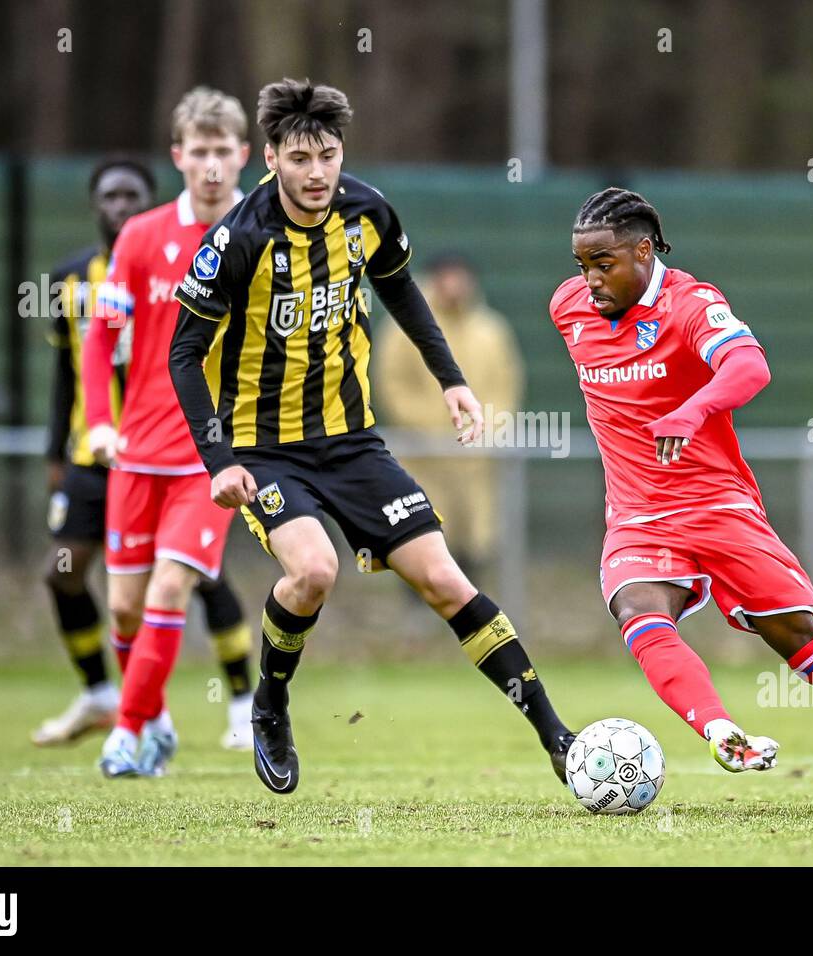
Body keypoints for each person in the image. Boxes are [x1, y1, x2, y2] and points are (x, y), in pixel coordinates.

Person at [168, 77, 575, 795]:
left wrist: (451, 380)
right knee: (313, 571)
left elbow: (401, 291)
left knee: (448, 581)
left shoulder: (368, 212)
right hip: (265, 450)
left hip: (352, 443)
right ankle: (269, 703)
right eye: (299, 158)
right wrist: (218, 460)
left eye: (326, 154)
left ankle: (558, 739)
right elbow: (183, 353)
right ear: (271, 159)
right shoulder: (239, 238)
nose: (316, 171)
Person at [548, 187, 813, 812]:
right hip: (637, 516)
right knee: (638, 609)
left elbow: (750, 367)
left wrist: (692, 409)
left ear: (643, 251)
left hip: (718, 506)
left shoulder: (692, 305)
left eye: (603, 264)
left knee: (798, 641)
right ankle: (719, 730)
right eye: (582, 265)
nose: (590, 280)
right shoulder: (569, 307)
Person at [36, 156, 255, 751]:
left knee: (196, 578)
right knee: (68, 573)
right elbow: (69, 370)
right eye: (109, 195)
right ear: (94, 205)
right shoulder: (71, 280)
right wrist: (57, 453)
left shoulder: (189, 261)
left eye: (132, 194)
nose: (120, 206)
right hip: (95, 452)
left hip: (174, 447)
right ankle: (109, 698)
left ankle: (241, 701)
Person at [83, 89, 251, 777]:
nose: (211, 165)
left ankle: (124, 732)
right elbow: (101, 339)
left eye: (223, 151)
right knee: (123, 606)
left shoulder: (261, 233)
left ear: (244, 154)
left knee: (171, 588)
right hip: (137, 451)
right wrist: (100, 423)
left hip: (210, 457)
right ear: (178, 156)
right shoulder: (141, 237)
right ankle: (155, 721)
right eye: (199, 151)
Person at [373, 254, 523, 576]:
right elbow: (392, 383)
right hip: (423, 454)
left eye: (460, 276)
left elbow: (506, 383)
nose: (454, 285)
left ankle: (471, 605)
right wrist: (428, 425)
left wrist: (487, 428)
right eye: (446, 276)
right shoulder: (404, 329)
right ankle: (418, 607)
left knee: (476, 533)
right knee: (419, 531)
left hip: (475, 456)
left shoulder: (491, 331)